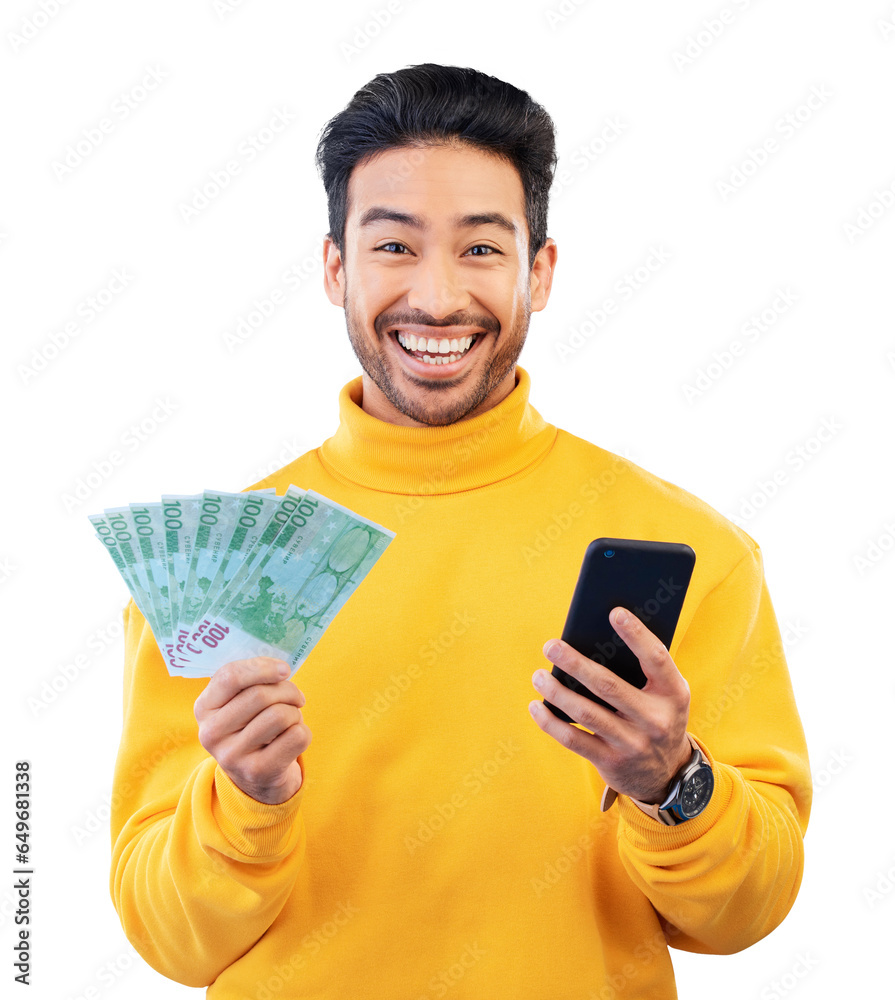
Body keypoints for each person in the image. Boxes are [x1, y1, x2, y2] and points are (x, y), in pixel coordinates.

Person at [109, 63, 811, 998]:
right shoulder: (218, 564)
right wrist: (243, 805)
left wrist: (671, 782)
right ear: (334, 269)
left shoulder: (693, 554)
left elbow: (744, 916)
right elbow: (169, 943)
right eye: (393, 246)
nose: (436, 298)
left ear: (541, 270)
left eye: (481, 249)